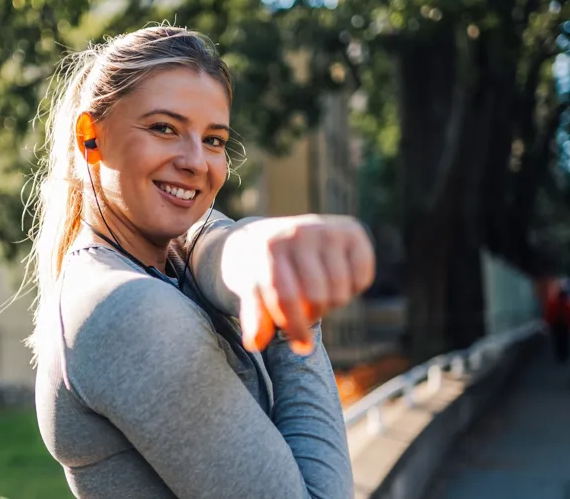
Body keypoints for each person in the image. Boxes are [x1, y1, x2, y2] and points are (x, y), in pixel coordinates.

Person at [24, 25, 375, 499]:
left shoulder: (158, 255)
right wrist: (295, 318)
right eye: (164, 128)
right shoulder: (126, 310)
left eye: (214, 140)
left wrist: (258, 255)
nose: (196, 162)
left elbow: (216, 244)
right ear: (91, 138)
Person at [545, 287, 570, 363]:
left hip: (556, 325)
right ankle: (565, 356)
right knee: (565, 341)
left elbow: (549, 314)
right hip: (565, 326)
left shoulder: (553, 304)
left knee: (557, 341)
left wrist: (548, 324)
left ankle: (559, 356)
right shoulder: (569, 304)